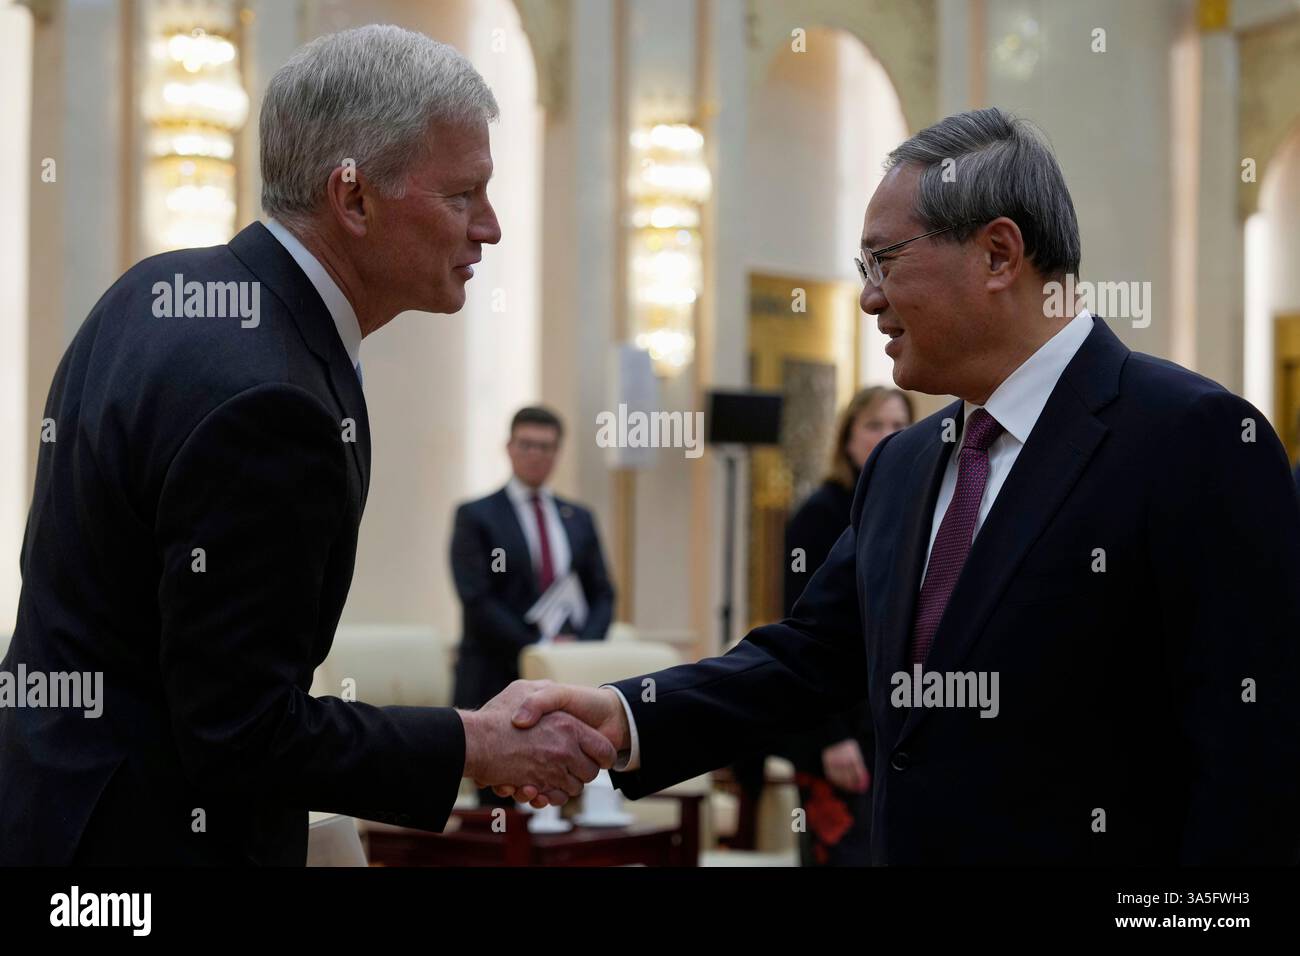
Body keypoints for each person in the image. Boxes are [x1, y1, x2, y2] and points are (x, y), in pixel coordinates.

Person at [507, 108, 1300, 864]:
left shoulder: (1191, 440)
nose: (867, 297)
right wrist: (623, 715)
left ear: (998, 255)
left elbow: (1254, 764)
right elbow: (809, 659)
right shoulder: (904, 464)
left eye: (885, 260)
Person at [0, 25, 612, 866]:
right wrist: (475, 743)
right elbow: (240, 729)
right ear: (352, 198)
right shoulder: (273, 400)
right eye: (463, 195)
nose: (492, 229)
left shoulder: (152, 292)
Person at [450, 405, 615, 805]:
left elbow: (603, 593)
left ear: (558, 452)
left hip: (566, 681)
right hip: (497, 678)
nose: (536, 454)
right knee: (501, 810)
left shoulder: (578, 517)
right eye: (527, 444)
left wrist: (578, 652)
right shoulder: (477, 516)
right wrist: (536, 648)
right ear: (509, 447)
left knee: (568, 802)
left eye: (546, 446)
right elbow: (477, 599)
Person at [780, 386, 911, 865]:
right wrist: (831, 735)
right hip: (831, 727)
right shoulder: (821, 514)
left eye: (898, 426)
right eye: (874, 426)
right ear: (848, 439)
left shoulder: (909, 506)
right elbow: (802, 631)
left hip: (889, 724)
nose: (887, 437)